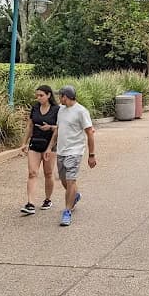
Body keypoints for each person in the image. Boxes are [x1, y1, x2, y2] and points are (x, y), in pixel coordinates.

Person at [53, 85, 96, 227]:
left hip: (75, 151)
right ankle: (75, 196)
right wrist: (50, 147)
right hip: (61, 151)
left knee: (71, 181)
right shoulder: (61, 110)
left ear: (66, 96)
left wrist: (91, 155)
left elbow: (90, 132)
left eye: (61, 96)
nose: (60, 99)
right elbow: (58, 129)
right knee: (65, 181)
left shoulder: (81, 111)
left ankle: (67, 211)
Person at [20, 85, 59, 215]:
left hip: (50, 146)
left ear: (48, 95)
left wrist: (50, 127)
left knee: (48, 173)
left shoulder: (56, 110)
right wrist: (24, 143)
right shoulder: (35, 108)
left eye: (41, 95)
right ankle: (30, 203)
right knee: (32, 173)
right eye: (37, 95)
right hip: (35, 143)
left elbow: (60, 128)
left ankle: (48, 199)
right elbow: (30, 125)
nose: (38, 98)